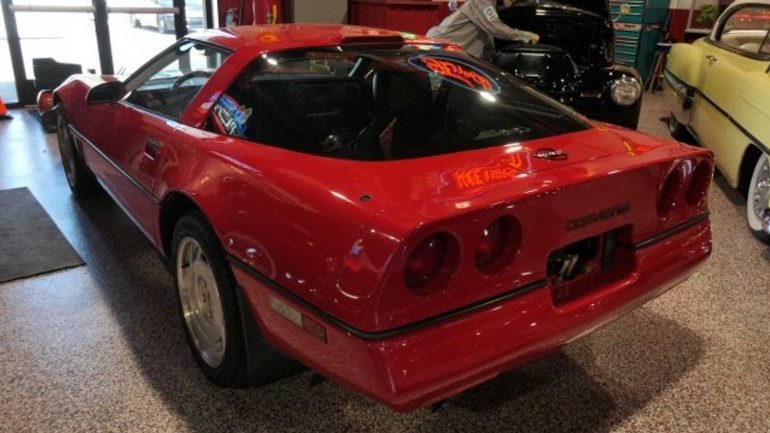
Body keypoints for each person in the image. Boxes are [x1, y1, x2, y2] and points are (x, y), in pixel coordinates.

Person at [427, 0, 540, 61]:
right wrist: (526, 35)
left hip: (454, 52)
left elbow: (486, 36)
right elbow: (495, 28)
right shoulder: (482, 1)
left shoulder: (491, 4)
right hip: (442, 48)